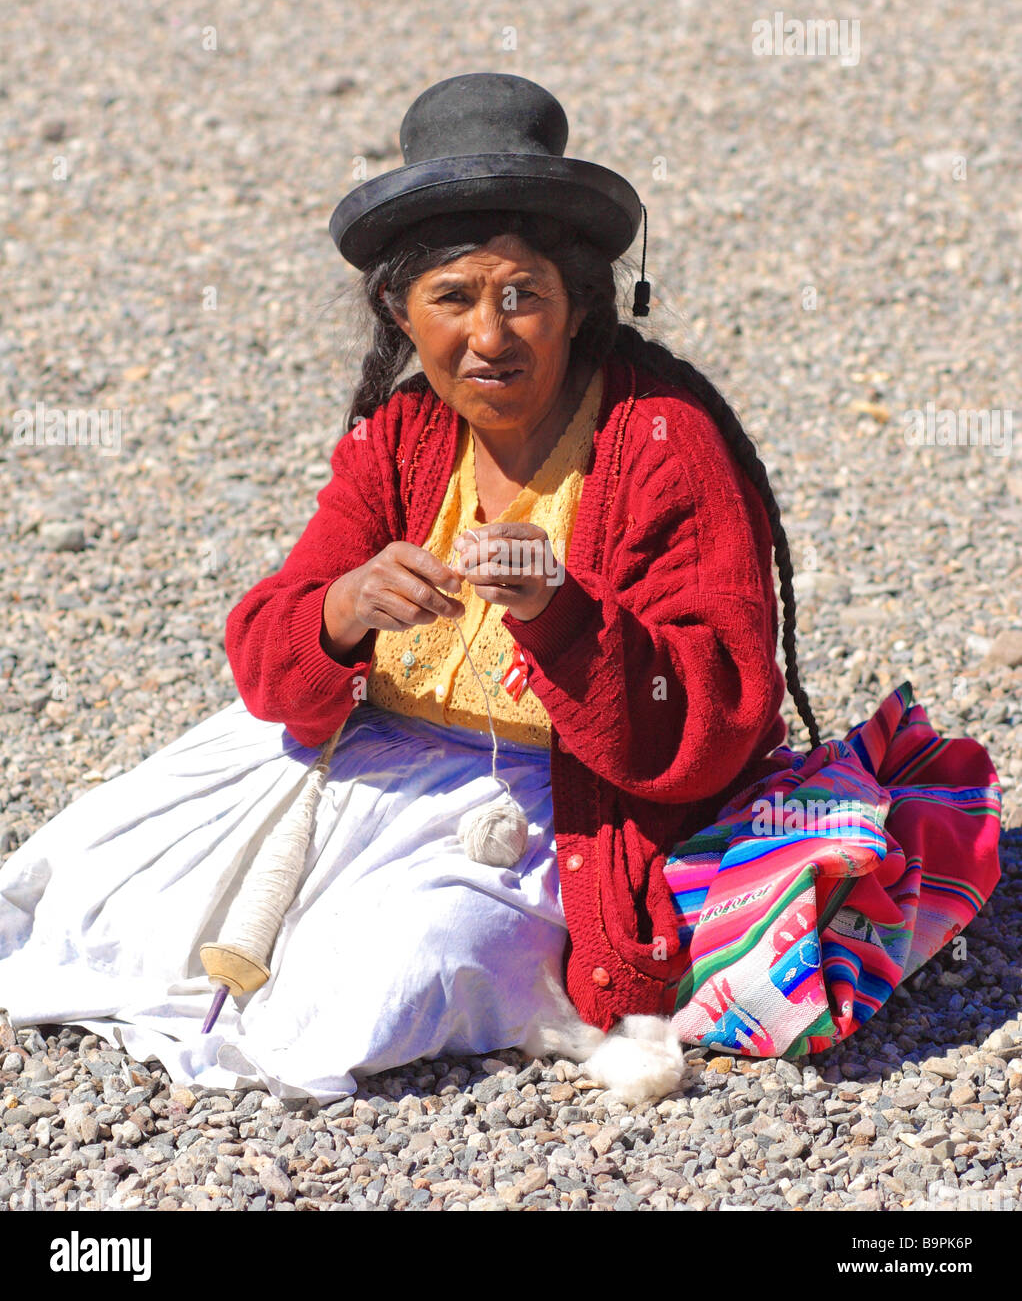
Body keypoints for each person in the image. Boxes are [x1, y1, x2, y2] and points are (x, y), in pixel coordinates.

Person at [0, 73, 1003, 1106]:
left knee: (370, 989)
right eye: (451, 298)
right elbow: (269, 656)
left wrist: (563, 618)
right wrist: (341, 612)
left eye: (521, 294)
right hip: (353, 762)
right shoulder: (399, 437)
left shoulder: (662, 441)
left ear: (576, 305)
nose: (489, 334)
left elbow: (718, 716)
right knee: (80, 889)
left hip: (553, 800)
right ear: (400, 309)